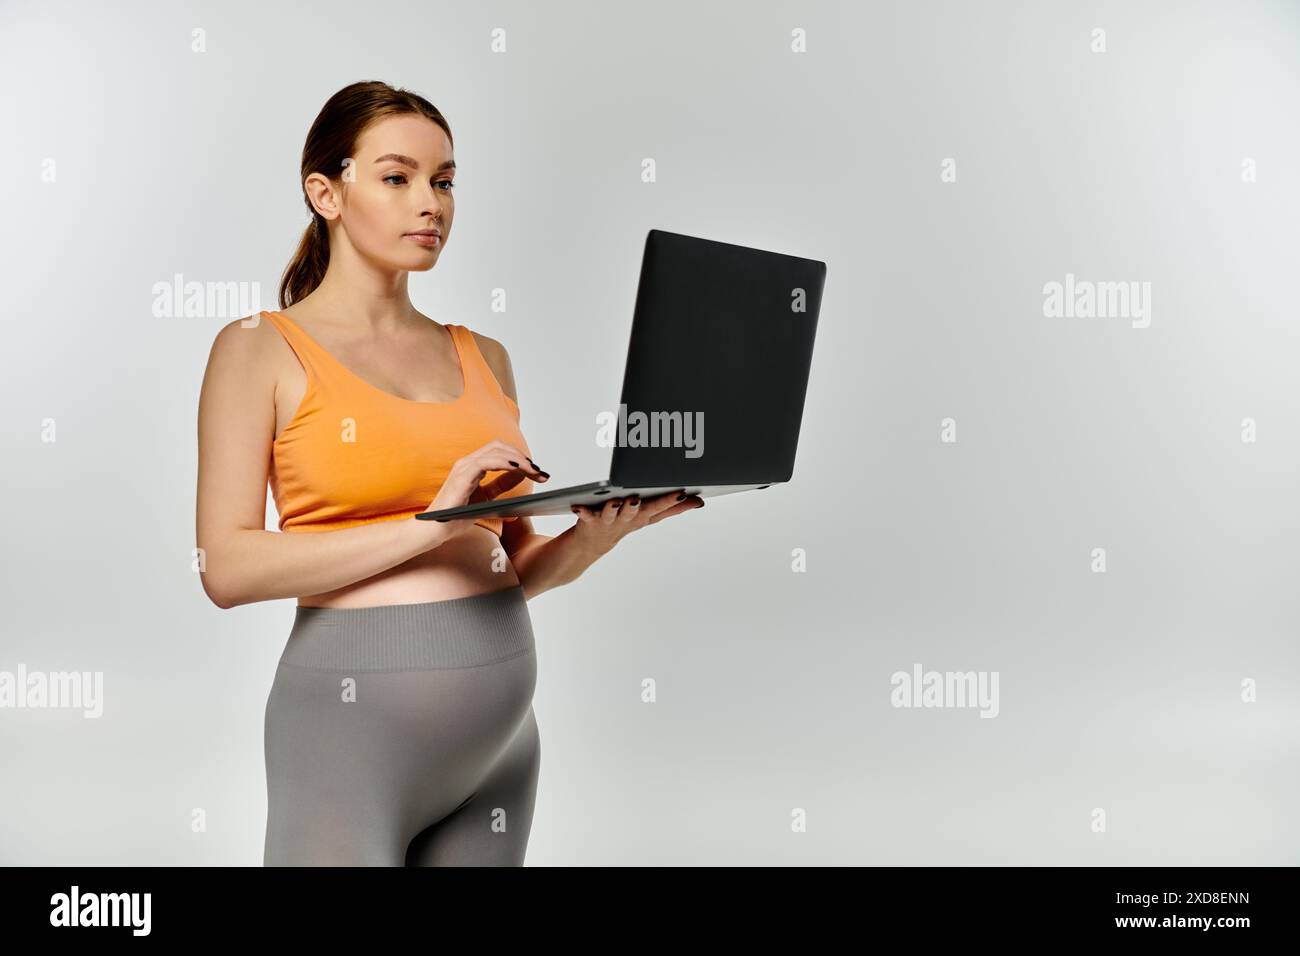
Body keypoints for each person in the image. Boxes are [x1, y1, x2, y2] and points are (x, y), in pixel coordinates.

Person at [194, 80, 704, 866]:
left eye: (444, 180)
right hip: (348, 739)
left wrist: (593, 539)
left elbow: (511, 561)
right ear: (325, 192)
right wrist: (431, 520)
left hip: (500, 749)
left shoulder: (483, 355)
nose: (429, 203)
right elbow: (226, 567)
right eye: (397, 177)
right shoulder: (259, 347)